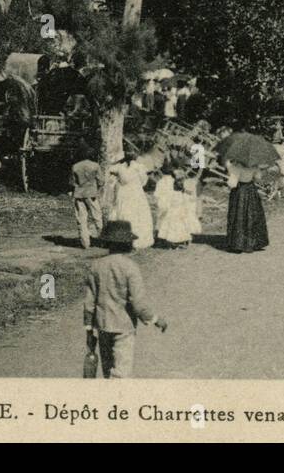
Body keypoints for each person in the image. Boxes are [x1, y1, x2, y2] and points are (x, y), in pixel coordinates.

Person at [83, 222, 169, 377]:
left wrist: (89, 329)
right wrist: (155, 319)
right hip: (124, 327)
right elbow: (138, 303)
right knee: (122, 372)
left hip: (103, 325)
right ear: (128, 243)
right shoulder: (130, 268)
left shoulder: (96, 266)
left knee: (107, 370)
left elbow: (89, 302)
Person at [107, 149, 156, 251]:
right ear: (135, 157)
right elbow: (144, 181)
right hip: (135, 192)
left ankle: (123, 240)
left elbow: (109, 168)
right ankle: (137, 240)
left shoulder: (119, 167)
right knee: (137, 215)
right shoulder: (139, 167)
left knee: (124, 213)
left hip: (123, 193)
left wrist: (119, 161)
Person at [224, 159, 269, 253]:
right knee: (252, 215)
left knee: (239, 215)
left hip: (240, 192)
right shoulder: (254, 165)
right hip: (251, 190)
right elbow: (258, 178)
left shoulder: (236, 167)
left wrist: (229, 171)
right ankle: (254, 242)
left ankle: (238, 243)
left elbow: (232, 183)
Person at [70, 142, 104, 249]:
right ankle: (102, 241)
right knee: (97, 217)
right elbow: (101, 181)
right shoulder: (95, 166)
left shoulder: (75, 167)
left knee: (82, 219)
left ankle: (85, 243)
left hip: (79, 195)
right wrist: (97, 188)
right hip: (92, 194)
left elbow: (72, 183)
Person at [155, 168, 198, 249]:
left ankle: (178, 241)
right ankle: (172, 242)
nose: (181, 182)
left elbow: (188, 193)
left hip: (179, 207)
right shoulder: (173, 187)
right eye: (179, 180)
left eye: (182, 180)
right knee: (173, 224)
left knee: (180, 224)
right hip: (174, 207)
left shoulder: (180, 187)